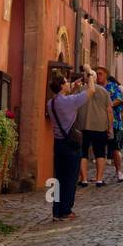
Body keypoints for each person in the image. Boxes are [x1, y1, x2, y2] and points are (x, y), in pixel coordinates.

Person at [46, 68, 96, 221]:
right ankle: (66, 211)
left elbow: (65, 101)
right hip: (70, 145)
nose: (68, 83)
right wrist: (89, 73)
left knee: (59, 177)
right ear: (62, 86)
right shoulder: (70, 101)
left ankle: (57, 211)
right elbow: (91, 90)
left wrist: (72, 88)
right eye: (66, 82)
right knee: (71, 178)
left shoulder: (51, 103)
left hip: (58, 143)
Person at [78, 69, 114, 188]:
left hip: (83, 126)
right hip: (100, 126)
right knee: (100, 154)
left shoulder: (81, 90)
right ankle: (99, 179)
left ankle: (84, 180)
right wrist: (110, 127)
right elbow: (109, 110)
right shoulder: (104, 91)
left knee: (83, 153)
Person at [105, 73, 123, 182]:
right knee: (99, 150)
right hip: (98, 122)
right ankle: (99, 176)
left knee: (115, 148)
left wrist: (109, 106)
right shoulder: (93, 87)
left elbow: (120, 100)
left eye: (100, 73)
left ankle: (119, 171)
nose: (98, 76)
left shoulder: (113, 86)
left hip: (113, 122)